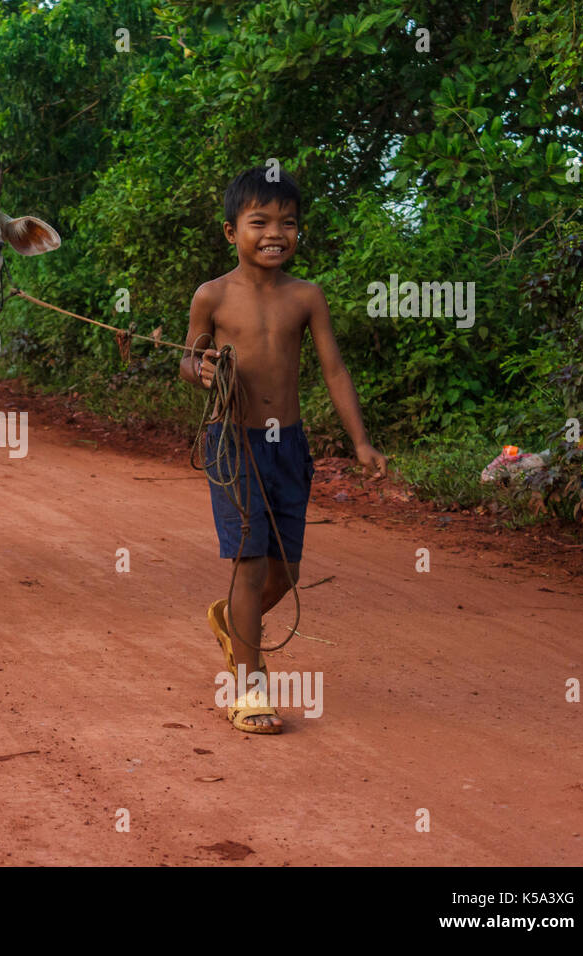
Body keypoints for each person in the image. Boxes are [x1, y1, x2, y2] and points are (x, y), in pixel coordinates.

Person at [179, 167, 387, 735]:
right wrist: (199, 368)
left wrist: (361, 442)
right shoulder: (212, 296)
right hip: (231, 442)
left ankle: (230, 623)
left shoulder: (306, 297)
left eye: (287, 223)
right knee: (248, 565)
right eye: (260, 222)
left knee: (285, 573)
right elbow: (187, 358)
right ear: (231, 232)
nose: (275, 233)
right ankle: (247, 688)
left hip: (286, 445)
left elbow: (334, 370)